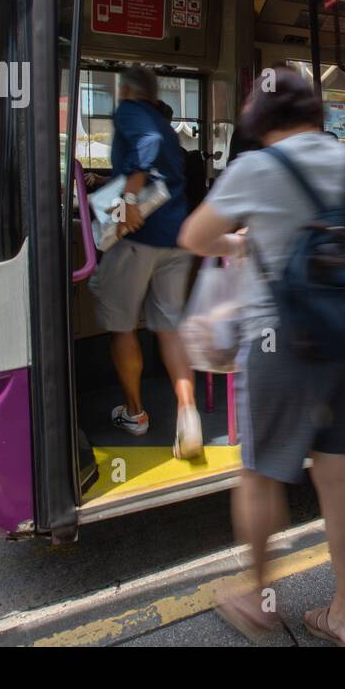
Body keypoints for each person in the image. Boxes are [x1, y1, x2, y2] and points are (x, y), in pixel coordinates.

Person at [178, 67, 345, 646]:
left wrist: (239, 242)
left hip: (280, 338)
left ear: (260, 120)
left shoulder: (254, 169)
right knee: (340, 473)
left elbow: (194, 237)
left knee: (261, 472)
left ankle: (256, 597)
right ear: (315, 112)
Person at [89, 66, 203, 457]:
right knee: (170, 328)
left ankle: (135, 414)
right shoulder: (164, 121)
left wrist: (129, 199)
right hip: (176, 238)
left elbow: (145, 144)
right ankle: (188, 416)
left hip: (138, 239)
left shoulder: (131, 111)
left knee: (122, 326)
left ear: (127, 89)